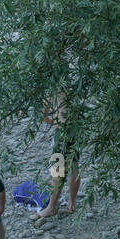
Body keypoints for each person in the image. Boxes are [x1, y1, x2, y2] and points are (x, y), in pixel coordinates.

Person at [33, 93, 80, 224]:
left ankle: (51, 207)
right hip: (75, 131)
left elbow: (43, 114)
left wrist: (55, 123)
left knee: (57, 171)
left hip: (63, 133)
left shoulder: (52, 90)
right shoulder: (71, 88)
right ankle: (71, 202)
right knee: (74, 165)